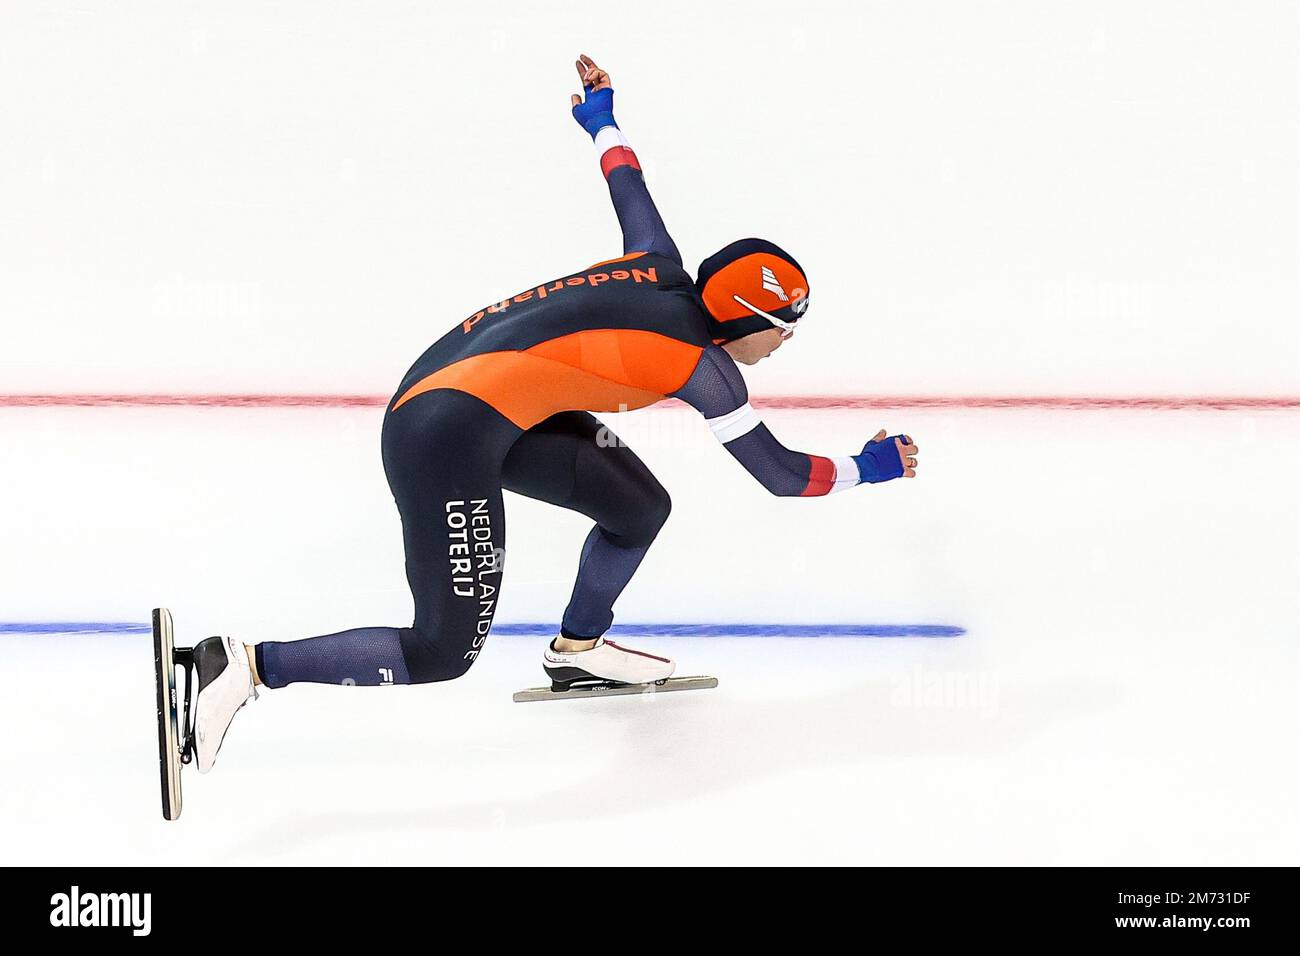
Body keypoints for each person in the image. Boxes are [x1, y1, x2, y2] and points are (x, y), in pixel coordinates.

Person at [188, 55, 920, 771]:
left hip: (481, 400)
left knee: (638, 508)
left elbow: (627, 180)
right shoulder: (706, 371)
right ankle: (250, 667)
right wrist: (872, 467)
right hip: (443, 435)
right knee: (441, 651)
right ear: (746, 320)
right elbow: (783, 476)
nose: (788, 338)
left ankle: (579, 650)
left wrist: (600, 117)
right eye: (785, 323)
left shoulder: (660, 261)